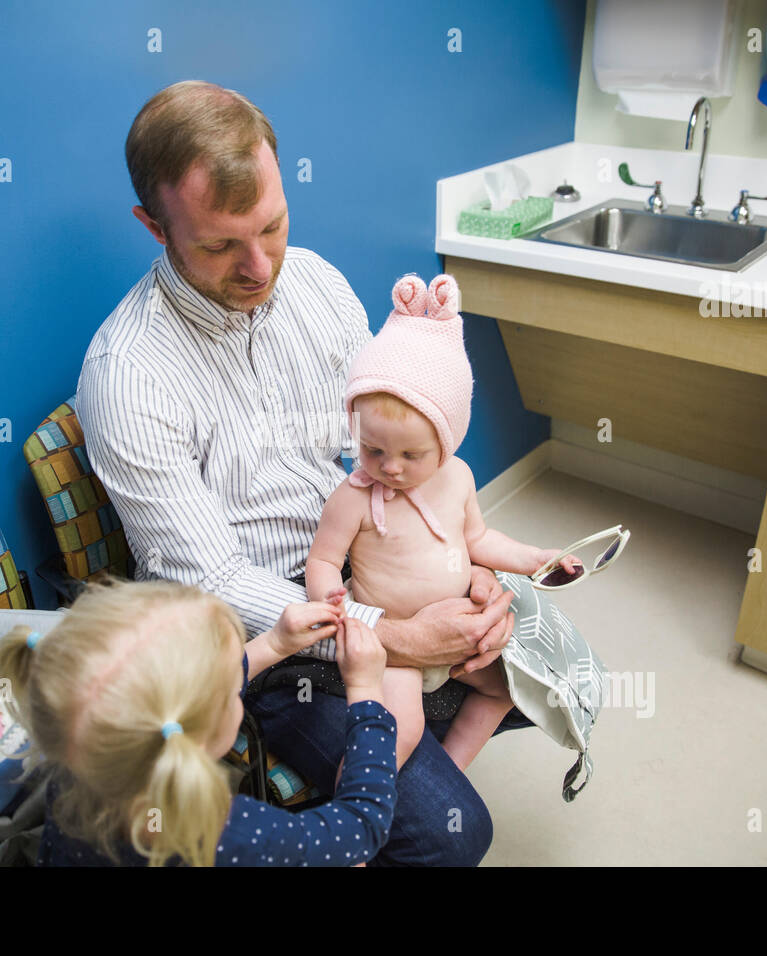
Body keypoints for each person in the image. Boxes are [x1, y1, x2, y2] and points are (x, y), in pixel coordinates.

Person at [75, 79, 529, 866]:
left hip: (364, 558)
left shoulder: (314, 284)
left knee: (533, 654)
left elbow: (386, 454)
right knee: (455, 837)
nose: (259, 266)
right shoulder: (129, 376)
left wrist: (461, 558)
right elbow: (214, 578)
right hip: (271, 634)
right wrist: (392, 638)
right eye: (220, 245)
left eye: (273, 226)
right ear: (154, 226)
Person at [306, 273, 583, 773]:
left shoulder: (457, 477)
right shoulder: (352, 497)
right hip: (396, 644)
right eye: (373, 450)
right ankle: (355, 815)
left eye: (412, 454)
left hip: (458, 630)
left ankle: (453, 768)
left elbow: (478, 539)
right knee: (401, 727)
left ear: (447, 441)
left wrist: (538, 559)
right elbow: (324, 557)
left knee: (505, 689)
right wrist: (330, 597)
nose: (389, 467)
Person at [0, 576, 396, 866]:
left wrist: (274, 643)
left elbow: (182, 694)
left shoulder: (77, 760)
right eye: (229, 686)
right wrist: (365, 690)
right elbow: (361, 825)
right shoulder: (226, 833)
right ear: (199, 733)